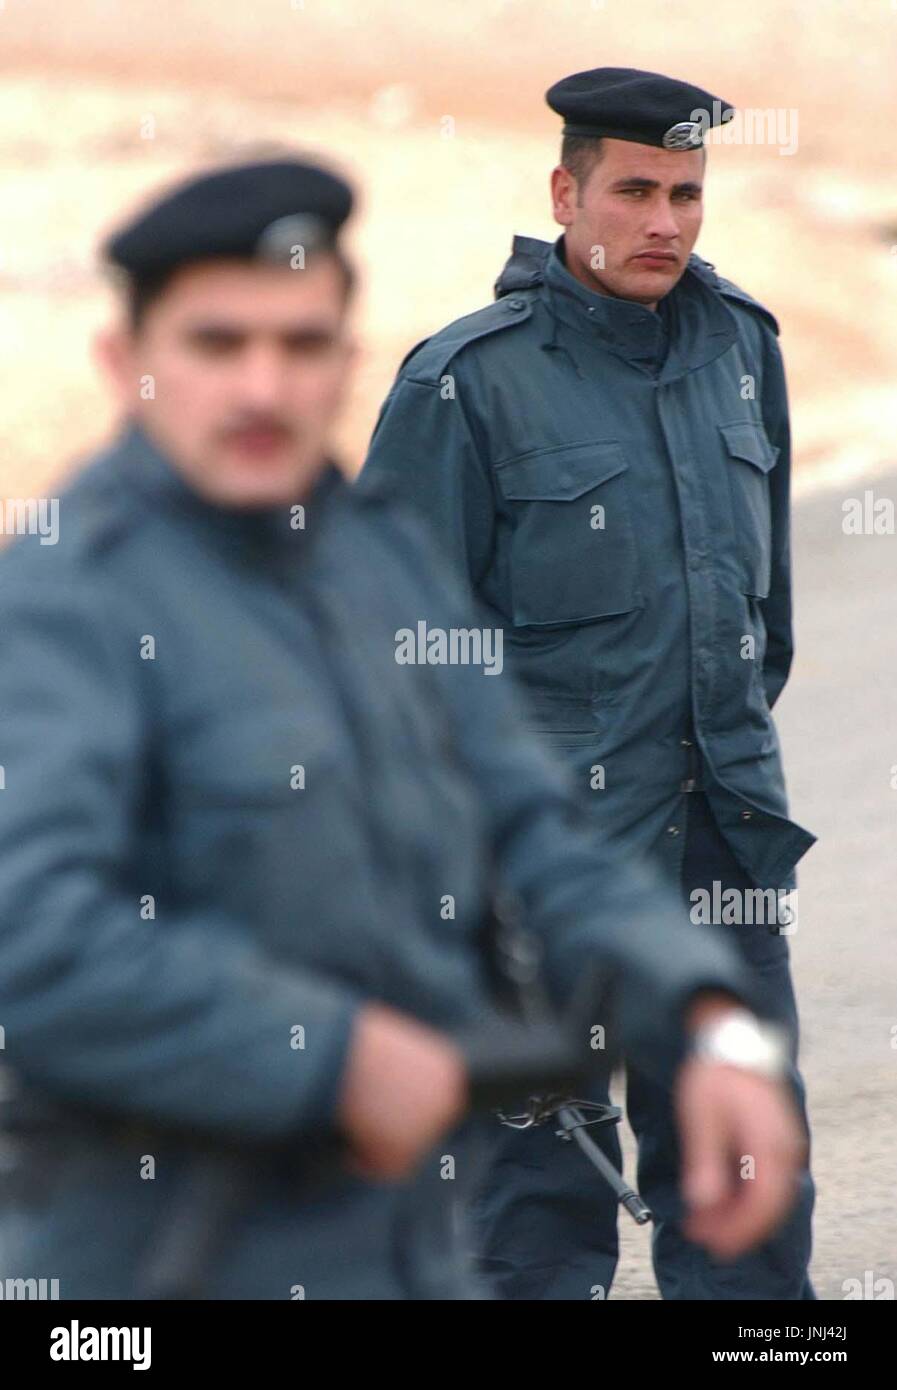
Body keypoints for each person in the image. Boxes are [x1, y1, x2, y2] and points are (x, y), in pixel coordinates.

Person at [0, 155, 801, 1300]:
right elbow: (34, 938)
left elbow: (535, 823)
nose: (263, 387)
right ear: (127, 365)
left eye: (302, 343)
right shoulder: (69, 596)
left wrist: (704, 1011)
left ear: (343, 360)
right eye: (219, 345)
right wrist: (328, 1055)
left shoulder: (374, 560)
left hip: (397, 1245)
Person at [361, 68, 817, 1300]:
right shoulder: (465, 381)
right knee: (532, 1225)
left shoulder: (742, 349)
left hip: (722, 849)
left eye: (686, 192)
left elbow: (758, 621)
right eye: (635, 190)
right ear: (567, 192)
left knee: (752, 1195)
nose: (664, 220)